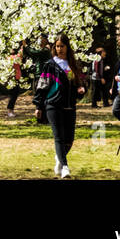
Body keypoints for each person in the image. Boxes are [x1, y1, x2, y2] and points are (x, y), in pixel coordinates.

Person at [32, 33, 86, 178]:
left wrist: (80, 90)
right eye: (57, 46)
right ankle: (65, 167)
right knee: (59, 138)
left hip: (70, 106)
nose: (60, 49)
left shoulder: (73, 65)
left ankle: (59, 158)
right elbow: (42, 86)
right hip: (53, 105)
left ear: (67, 47)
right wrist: (38, 106)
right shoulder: (50, 65)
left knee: (69, 139)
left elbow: (79, 85)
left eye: (62, 46)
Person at [6, 39, 26, 118]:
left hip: (16, 77)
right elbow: (21, 54)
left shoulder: (15, 56)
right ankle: (10, 110)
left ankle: (11, 110)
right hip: (12, 78)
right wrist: (23, 46)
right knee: (13, 95)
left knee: (14, 94)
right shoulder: (11, 57)